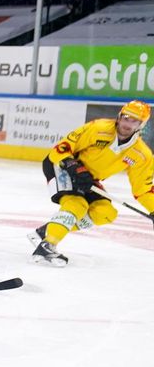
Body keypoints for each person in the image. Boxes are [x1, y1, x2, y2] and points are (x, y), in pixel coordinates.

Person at [29, 99, 153, 267]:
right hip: (61, 165)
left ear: (141, 125)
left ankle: (48, 230)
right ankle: (47, 245)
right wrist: (73, 166)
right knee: (77, 205)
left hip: (89, 179)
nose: (127, 123)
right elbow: (61, 149)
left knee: (105, 212)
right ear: (119, 116)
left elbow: (143, 189)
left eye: (134, 121)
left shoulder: (141, 155)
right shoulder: (99, 128)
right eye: (125, 117)